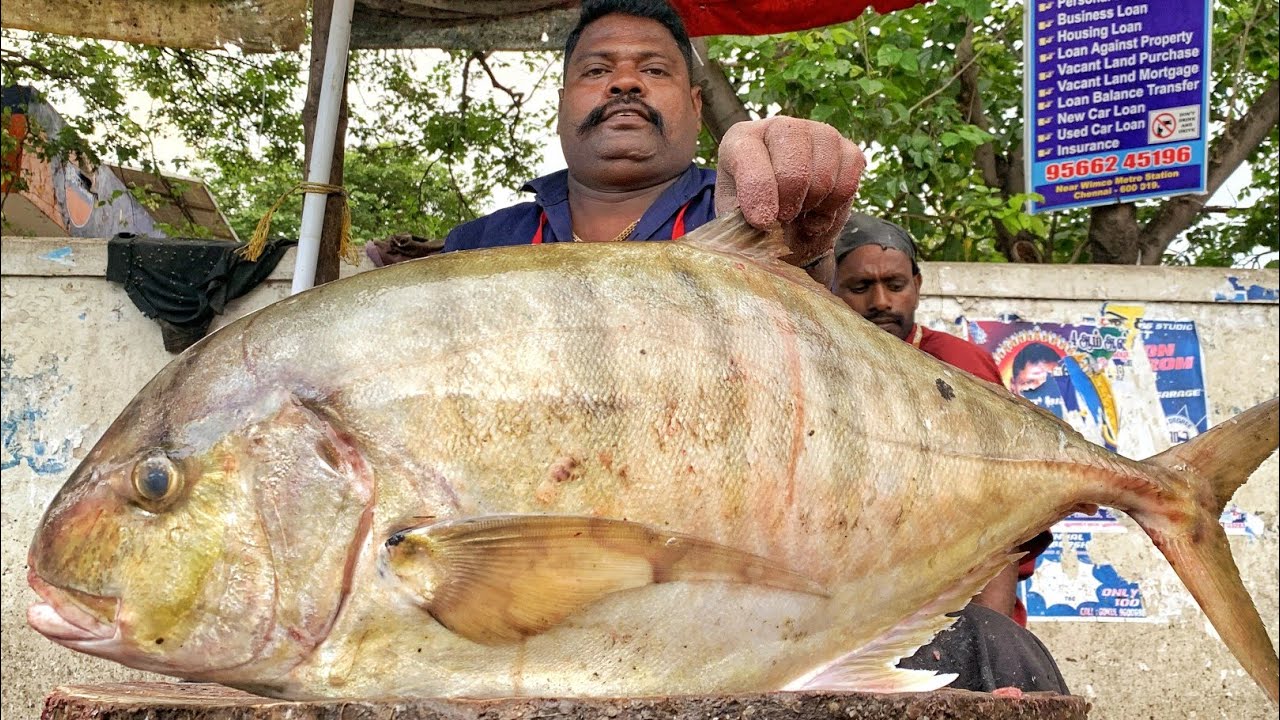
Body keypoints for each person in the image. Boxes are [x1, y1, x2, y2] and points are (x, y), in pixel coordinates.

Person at [441, 0, 865, 286]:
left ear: (696, 105)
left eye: (656, 70)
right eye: (595, 70)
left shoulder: (742, 213)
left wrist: (802, 247)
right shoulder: (476, 245)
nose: (625, 82)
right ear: (560, 106)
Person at [831, 213, 1067, 694]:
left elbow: (1002, 512)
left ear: (916, 284)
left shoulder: (960, 364)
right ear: (831, 288)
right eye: (860, 287)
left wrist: (987, 636)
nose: (880, 301)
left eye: (894, 284)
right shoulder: (822, 363)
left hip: (961, 611)